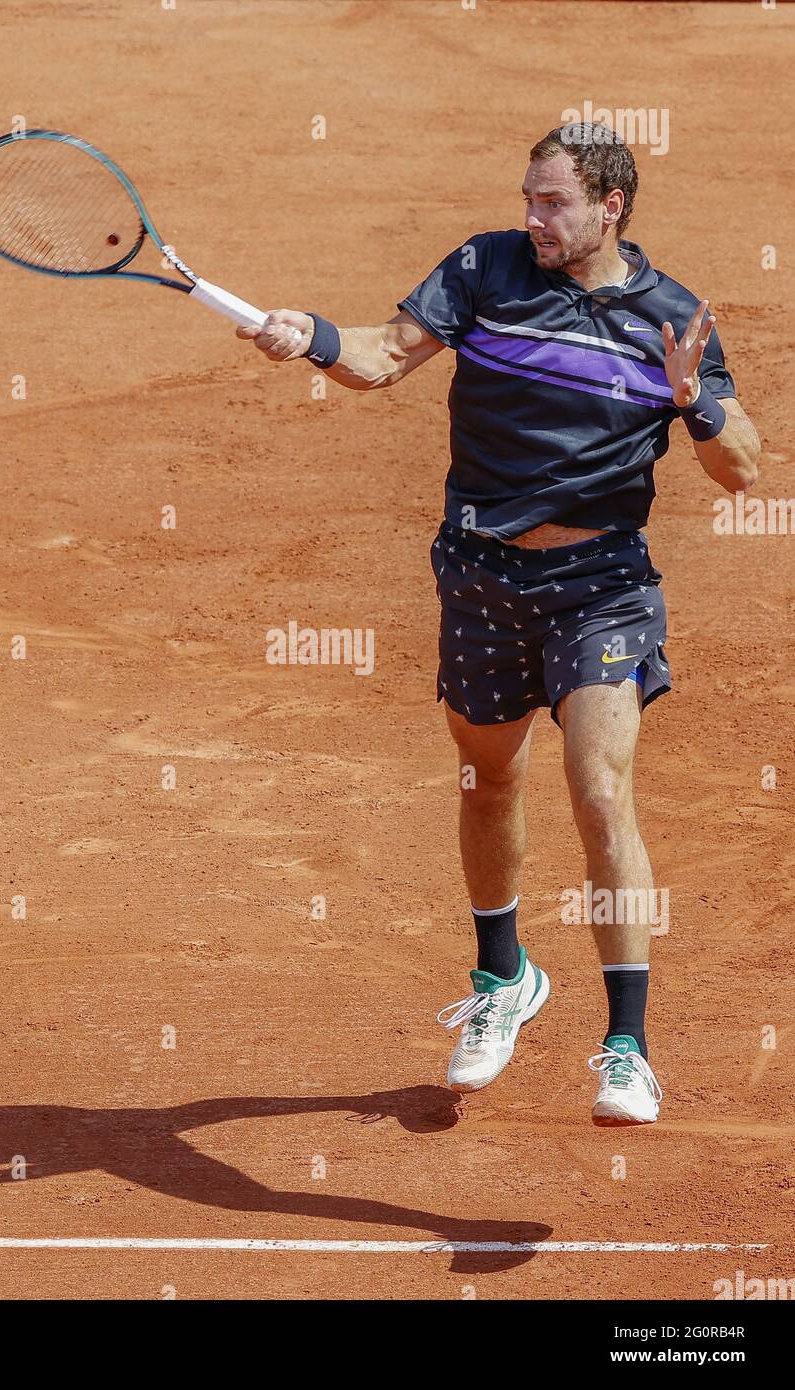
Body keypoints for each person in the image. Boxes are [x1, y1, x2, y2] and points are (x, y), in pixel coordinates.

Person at [237, 123, 760, 1126]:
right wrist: (310, 335)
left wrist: (693, 403)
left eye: (552, 201)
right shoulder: (486, 268)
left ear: (611, 205)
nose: (533, 216)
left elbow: (745, 469)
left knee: (599, 788)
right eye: (528, 197)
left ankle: (626, 1048)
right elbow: (384, 356)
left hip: (601, 582)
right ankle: (503, 978)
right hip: (479, 573)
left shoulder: (671, 317)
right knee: (489, 779)